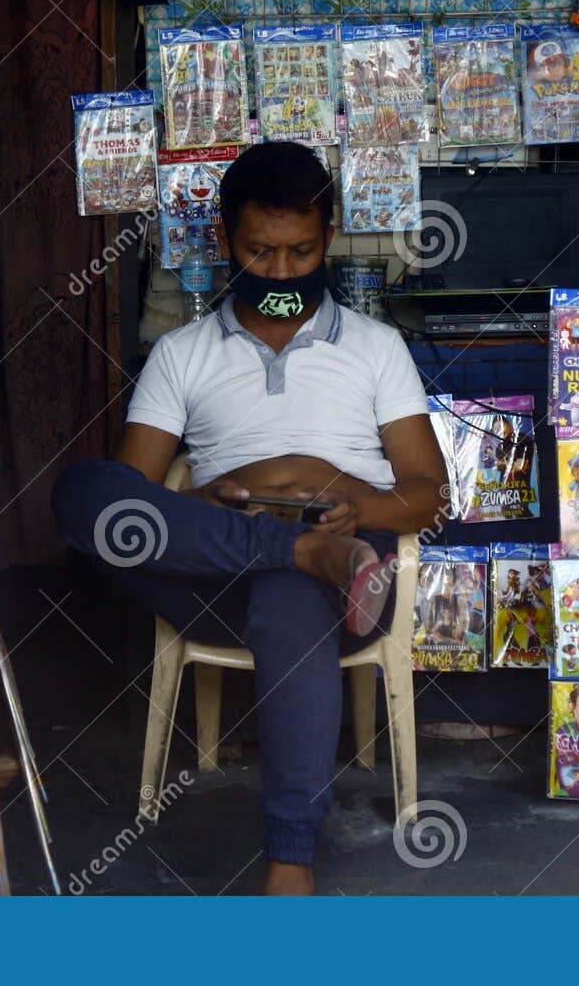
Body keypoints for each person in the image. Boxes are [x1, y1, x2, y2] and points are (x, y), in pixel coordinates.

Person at [52, 142, 447, 895]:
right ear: (225, 241)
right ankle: (294, 549)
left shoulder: (376, 348)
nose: (280, 271)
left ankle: (288, 861)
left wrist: (357, 506)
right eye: (260, 252)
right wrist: (202, 504)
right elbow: (130, 499)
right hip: (210, 567)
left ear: (327, 239)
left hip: (345, 566)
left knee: (289, 591)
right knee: (81, 492)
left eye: (300, 252)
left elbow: (428, 490)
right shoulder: (181, 353)